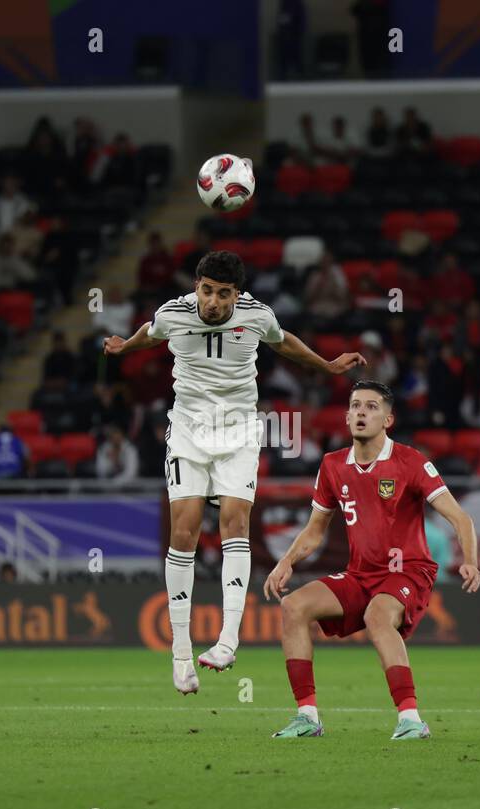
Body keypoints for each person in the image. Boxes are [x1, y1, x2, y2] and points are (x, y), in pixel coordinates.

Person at [103, 250, 367, 694]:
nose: (212, 302)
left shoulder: (255, 316)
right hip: (188, 430)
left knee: (234, 524)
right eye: (206, 291)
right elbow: (151, 333)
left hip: (239, 431)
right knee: (183, 532)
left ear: (236, 295)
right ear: (197, 286)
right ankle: (181, 654)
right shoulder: (174, 313)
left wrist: (325, 365)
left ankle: (227, 641)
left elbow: (282, 341)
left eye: (223, 295)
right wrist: (125, 345)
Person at [262, 380, 480, 739]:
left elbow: (460, 518)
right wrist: (286, 561)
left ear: (388, 419)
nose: (361, 412)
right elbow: (315, 530)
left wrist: (470, 560)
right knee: (293, 607)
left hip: (408, 572)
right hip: (360, 574)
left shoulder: (411, 462)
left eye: (371, 407)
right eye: (355, 406)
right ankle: (307, 718)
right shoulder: (333, 465)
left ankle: (411, 719)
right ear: (347, 416)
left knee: (377, 616)